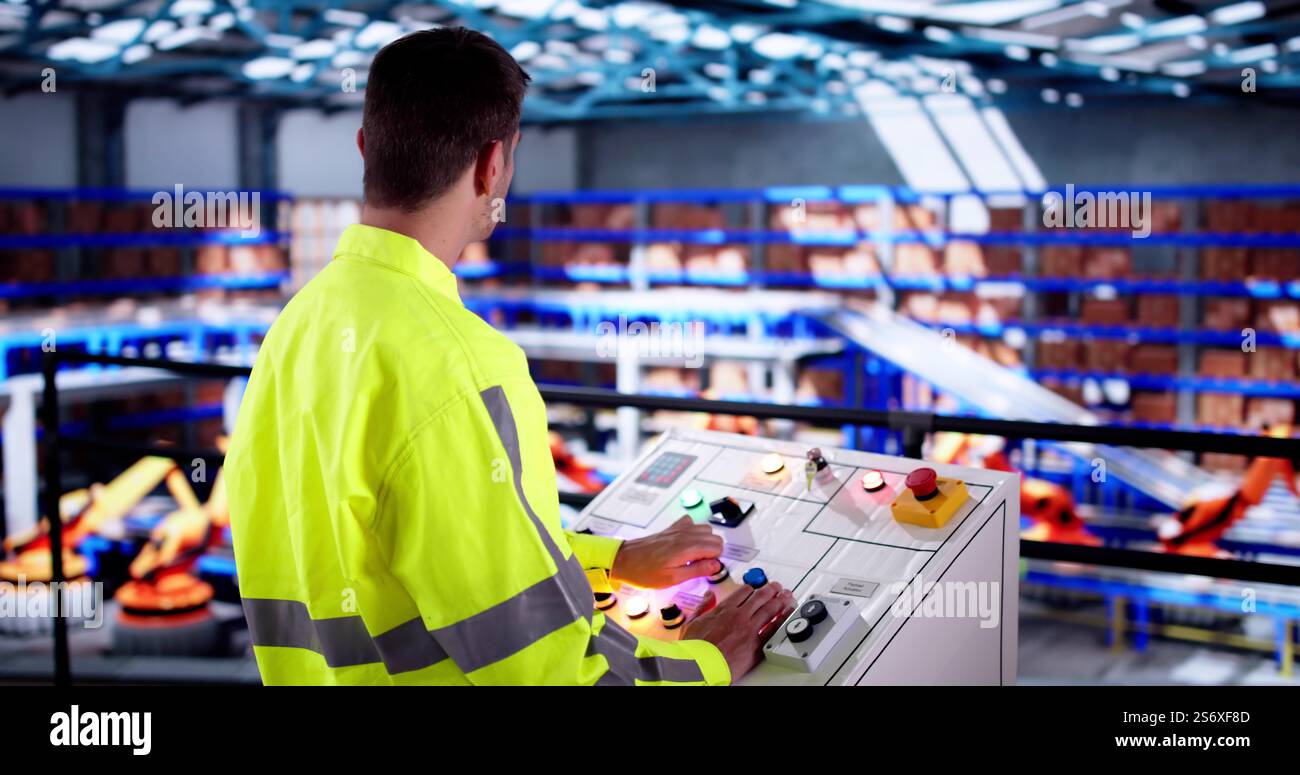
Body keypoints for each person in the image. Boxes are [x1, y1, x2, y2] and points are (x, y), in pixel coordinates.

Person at [225, 27, 795, 685]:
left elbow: (416, 557)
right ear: (493, 164)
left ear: (364, 149)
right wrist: (706, 658)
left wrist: (613, 558)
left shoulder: (296, 329)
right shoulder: (463, 365)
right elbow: (548, 675)